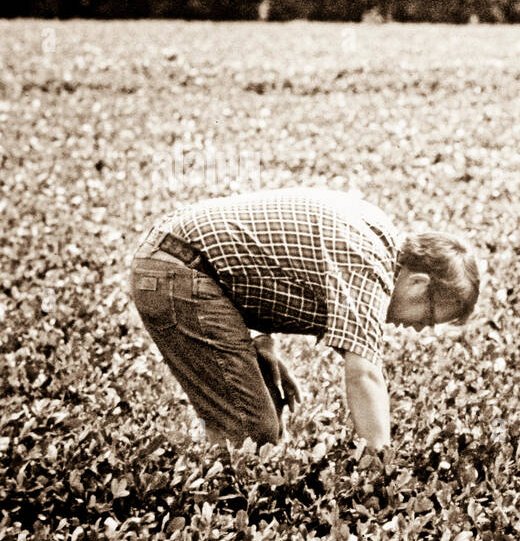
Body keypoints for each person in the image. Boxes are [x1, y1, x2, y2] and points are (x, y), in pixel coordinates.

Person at [129, 188, 479, 449]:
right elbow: (364, 375)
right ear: (419, 282)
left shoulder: (377, 235)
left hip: (174, 261)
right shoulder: (370, 266)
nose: (418, 328)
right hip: (176, 270)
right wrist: (381, 470)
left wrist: (257, 351)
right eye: (428, 317)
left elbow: (267, 263)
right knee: (251, 431)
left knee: (262, 415)